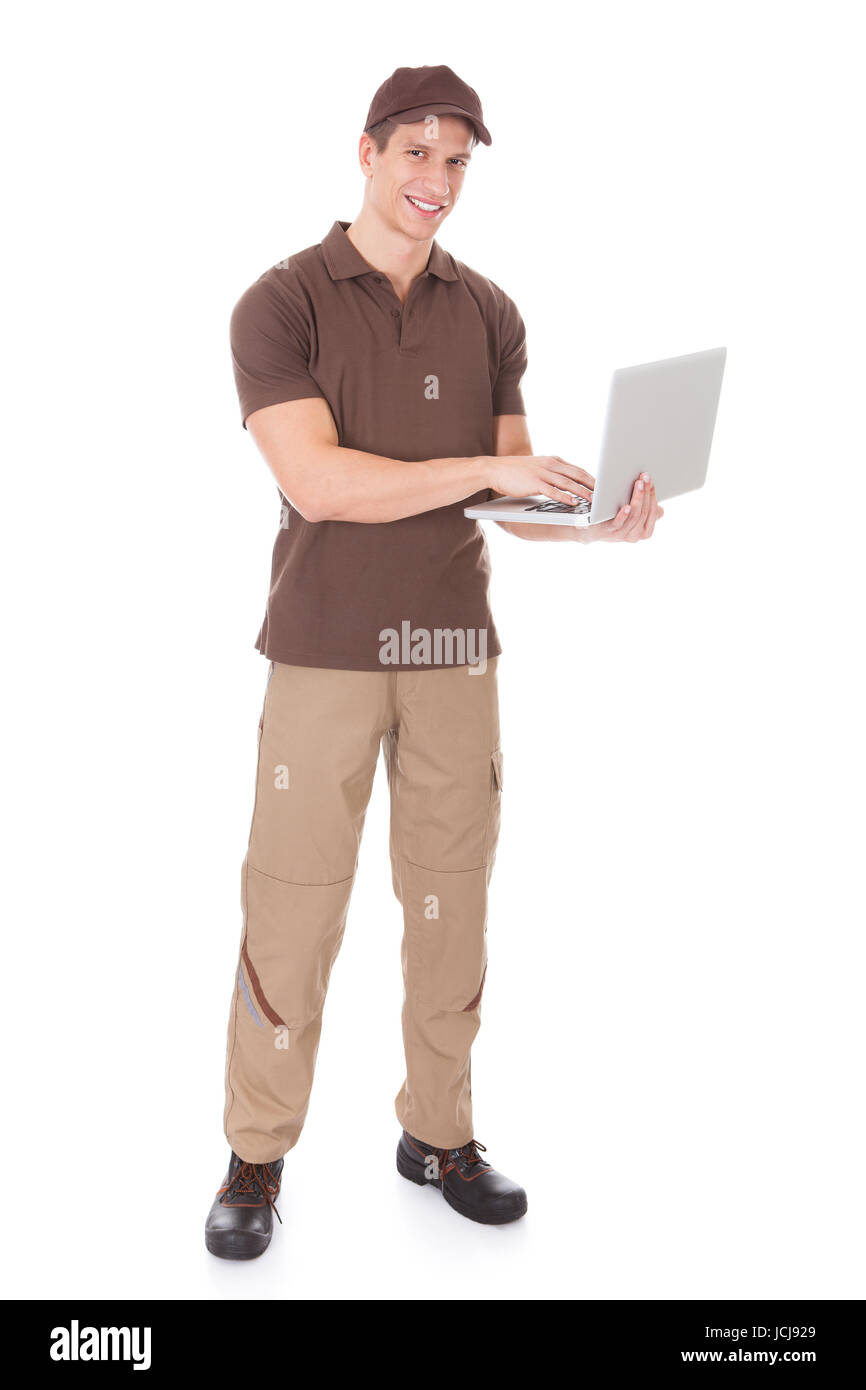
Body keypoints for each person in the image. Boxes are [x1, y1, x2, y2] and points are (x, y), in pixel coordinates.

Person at [205, 63, 663, 1260]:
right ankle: (256, 1153)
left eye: (457, 160)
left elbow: (512, 496)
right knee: (293, 906)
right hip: (322, 653)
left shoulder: (488, 311)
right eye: (416, 151)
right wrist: (486, 473)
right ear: (364, 152)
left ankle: (437, 1135)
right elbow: (317, 480)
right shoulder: (282, 302)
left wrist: (587, 513)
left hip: (455, 649)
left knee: (449, 903)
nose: (437, 180)